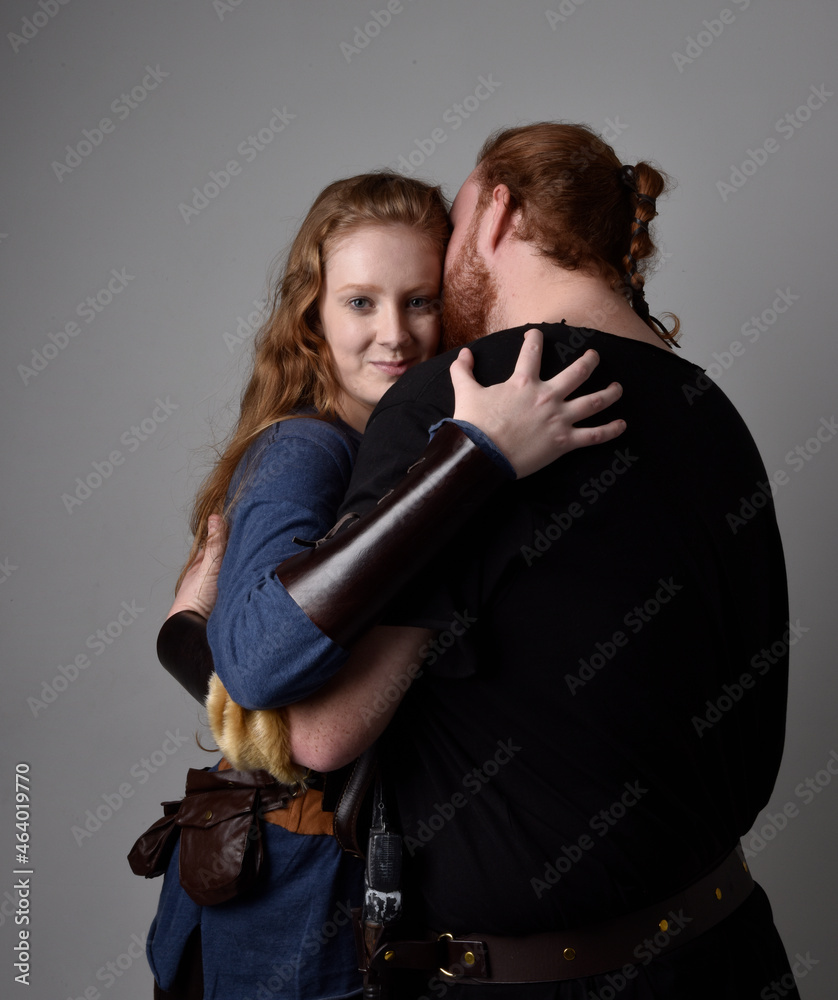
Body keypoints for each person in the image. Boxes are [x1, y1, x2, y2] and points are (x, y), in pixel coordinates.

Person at [243, 123, 798, 997]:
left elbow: (320, 731)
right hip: (732, 949)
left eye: (455, 226)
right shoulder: (712, 407)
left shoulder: (454, 399)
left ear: (496, 212)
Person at [145, 168, 626, 1000]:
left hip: (363, 887)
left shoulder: (389, 442)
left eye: (419, 300)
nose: (395, 334)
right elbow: (262, 664)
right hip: (286, 911)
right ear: (313, 318)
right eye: (360, 302)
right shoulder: (308, 448)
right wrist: (479, 461)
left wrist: (182, 636)